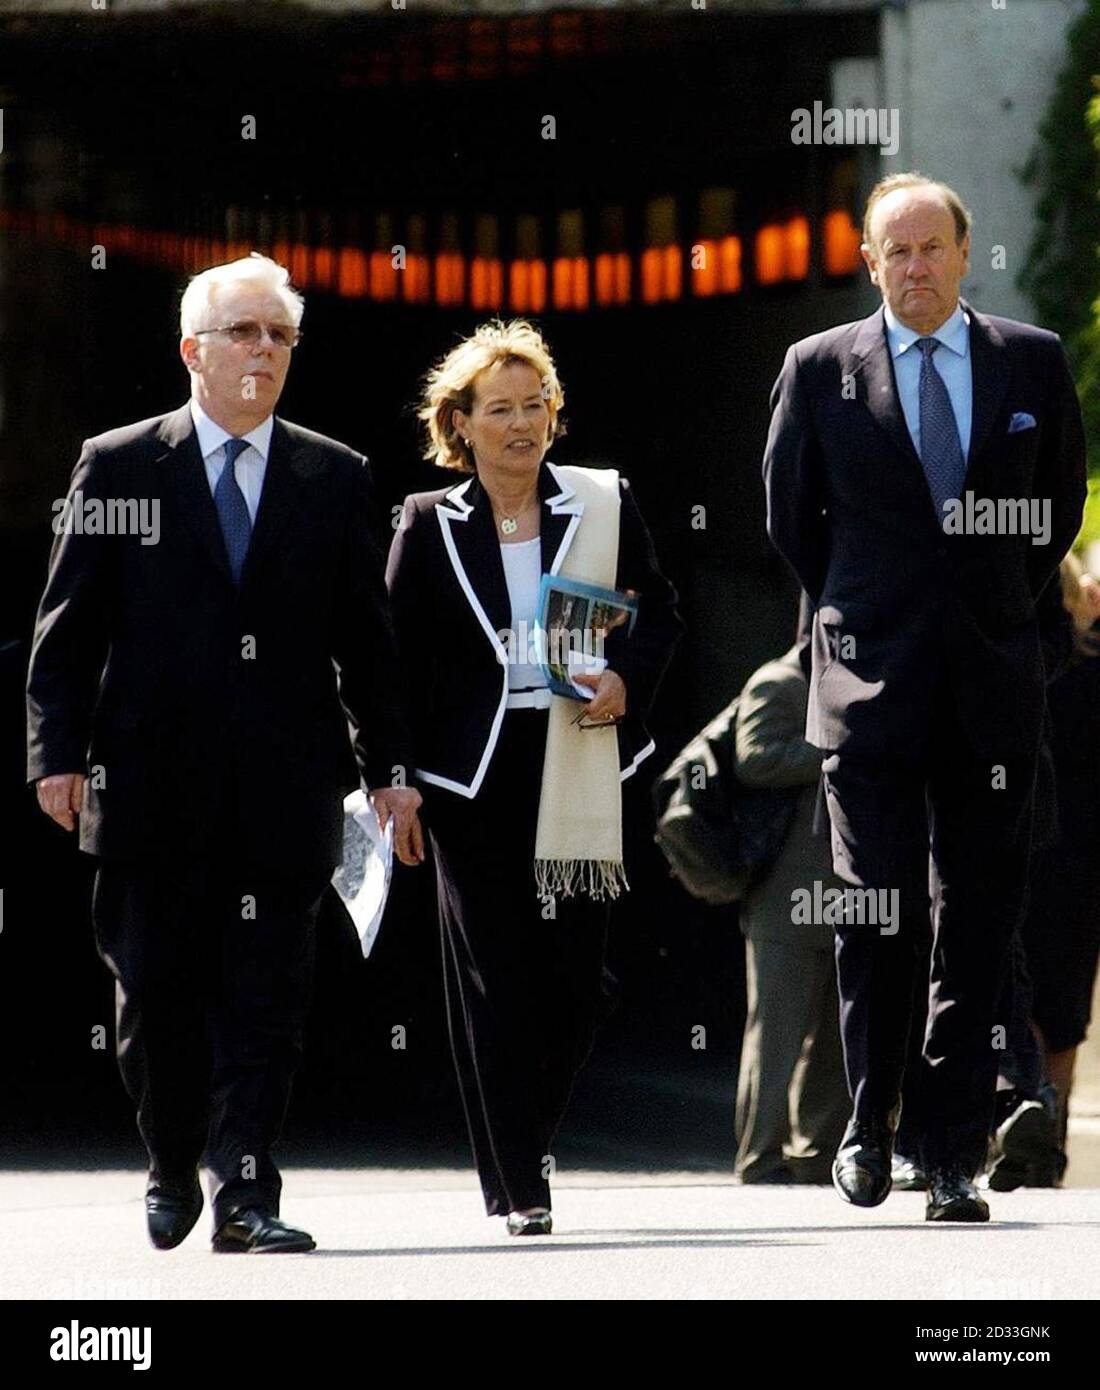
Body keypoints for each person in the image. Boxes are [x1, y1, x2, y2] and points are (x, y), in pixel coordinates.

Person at [26, 254, 422, 1254]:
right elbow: (65, 627)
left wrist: (390, 772)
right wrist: (54, 753)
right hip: (146, 782)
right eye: (242, 333)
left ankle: (246, 1192)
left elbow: (367, 644)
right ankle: (168, 1160)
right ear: (191, 351)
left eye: (279, 335)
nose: (262, 351)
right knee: (153, 993)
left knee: (267, 1002)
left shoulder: (333, 476)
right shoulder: (117, 463)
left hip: (281, 789)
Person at [762, 172, 1086, 1221]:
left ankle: (947, 1148)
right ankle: (870, 1117)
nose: (911, 266)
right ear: (869, 263)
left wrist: (996, 611)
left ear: (961, 252)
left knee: (980, 920)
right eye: (891, 252)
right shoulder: (817, 371)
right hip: (867, 684)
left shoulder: (1028, 361)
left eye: (928, 248)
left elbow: (1056, 506)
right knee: (877, 908)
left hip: (990, 684)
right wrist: (860, 612)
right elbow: (790, 522)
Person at [386, 319, 682, 1234]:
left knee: (573, 981)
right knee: (495, 980)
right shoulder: (428, 523)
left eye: (534, 405)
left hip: (580, 755)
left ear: (555, 416)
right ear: (460, 424)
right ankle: (521, 1183)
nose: (519, 423)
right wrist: (391, 776)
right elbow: (388, 658)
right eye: (499, 409)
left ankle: (526, 1142)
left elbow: (662, 612)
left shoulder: (603, 501)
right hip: (471, 779)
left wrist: (630, 675)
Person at [733, 614, 848, 1185]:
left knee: (835, 1033)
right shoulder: (778, 682)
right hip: (786, 891)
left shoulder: (856, 686)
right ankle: (760, 1156)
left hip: (847, 892)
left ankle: (820, 1151)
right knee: (775, 1031)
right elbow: (753, 757)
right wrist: (835, 749)